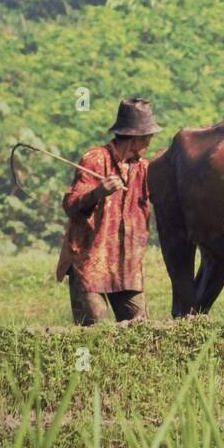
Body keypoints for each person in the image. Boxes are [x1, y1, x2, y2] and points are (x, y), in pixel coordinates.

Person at [55, 98, 162, 325]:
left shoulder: (145, 169)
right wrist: (97, 192)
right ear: (136, 138)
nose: (150, 142)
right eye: (149, 137)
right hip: (90, 263)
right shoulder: (94, 160)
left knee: (140, 328)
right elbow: (71, 205)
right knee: (96, 330)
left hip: (127, 267)